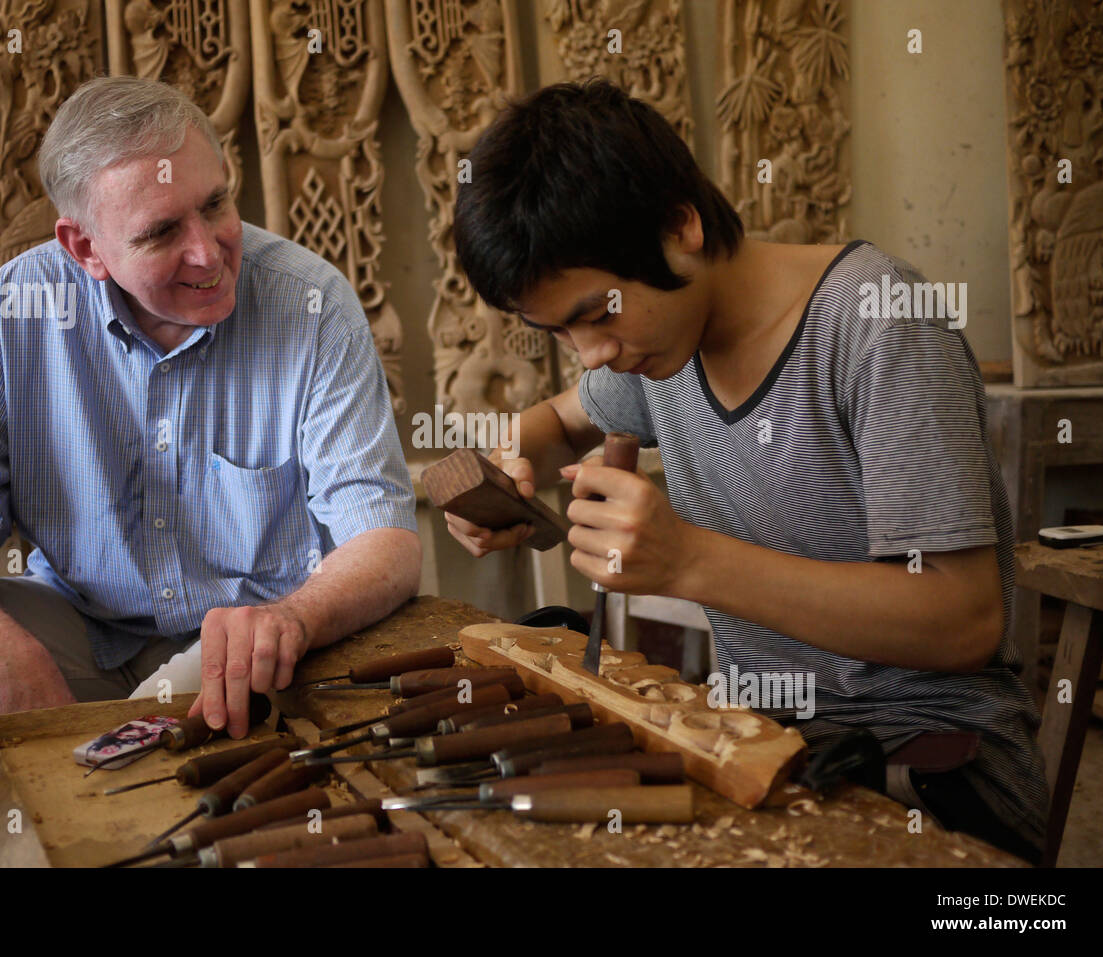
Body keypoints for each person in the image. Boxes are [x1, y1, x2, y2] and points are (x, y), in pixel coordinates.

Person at [0, 76, 420, 866]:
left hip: (252, 640)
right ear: (84, 248)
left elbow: (388, 541)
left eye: (217, 204)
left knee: (122, 773)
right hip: (79, 627)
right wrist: (8, 653)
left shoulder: (311, 305)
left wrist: (294, 618)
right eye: (162, 231)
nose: (208, 250)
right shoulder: (17, 310)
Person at [445, 79, 1047, 863]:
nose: (593, 352)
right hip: (758, 743)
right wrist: (503, 466)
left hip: (931, 763)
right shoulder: (661, 345)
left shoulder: (876, 322)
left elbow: (961, 618)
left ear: (680, 226)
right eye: (562, 332)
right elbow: (561, 422)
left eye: (597, 314)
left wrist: (690, 561)